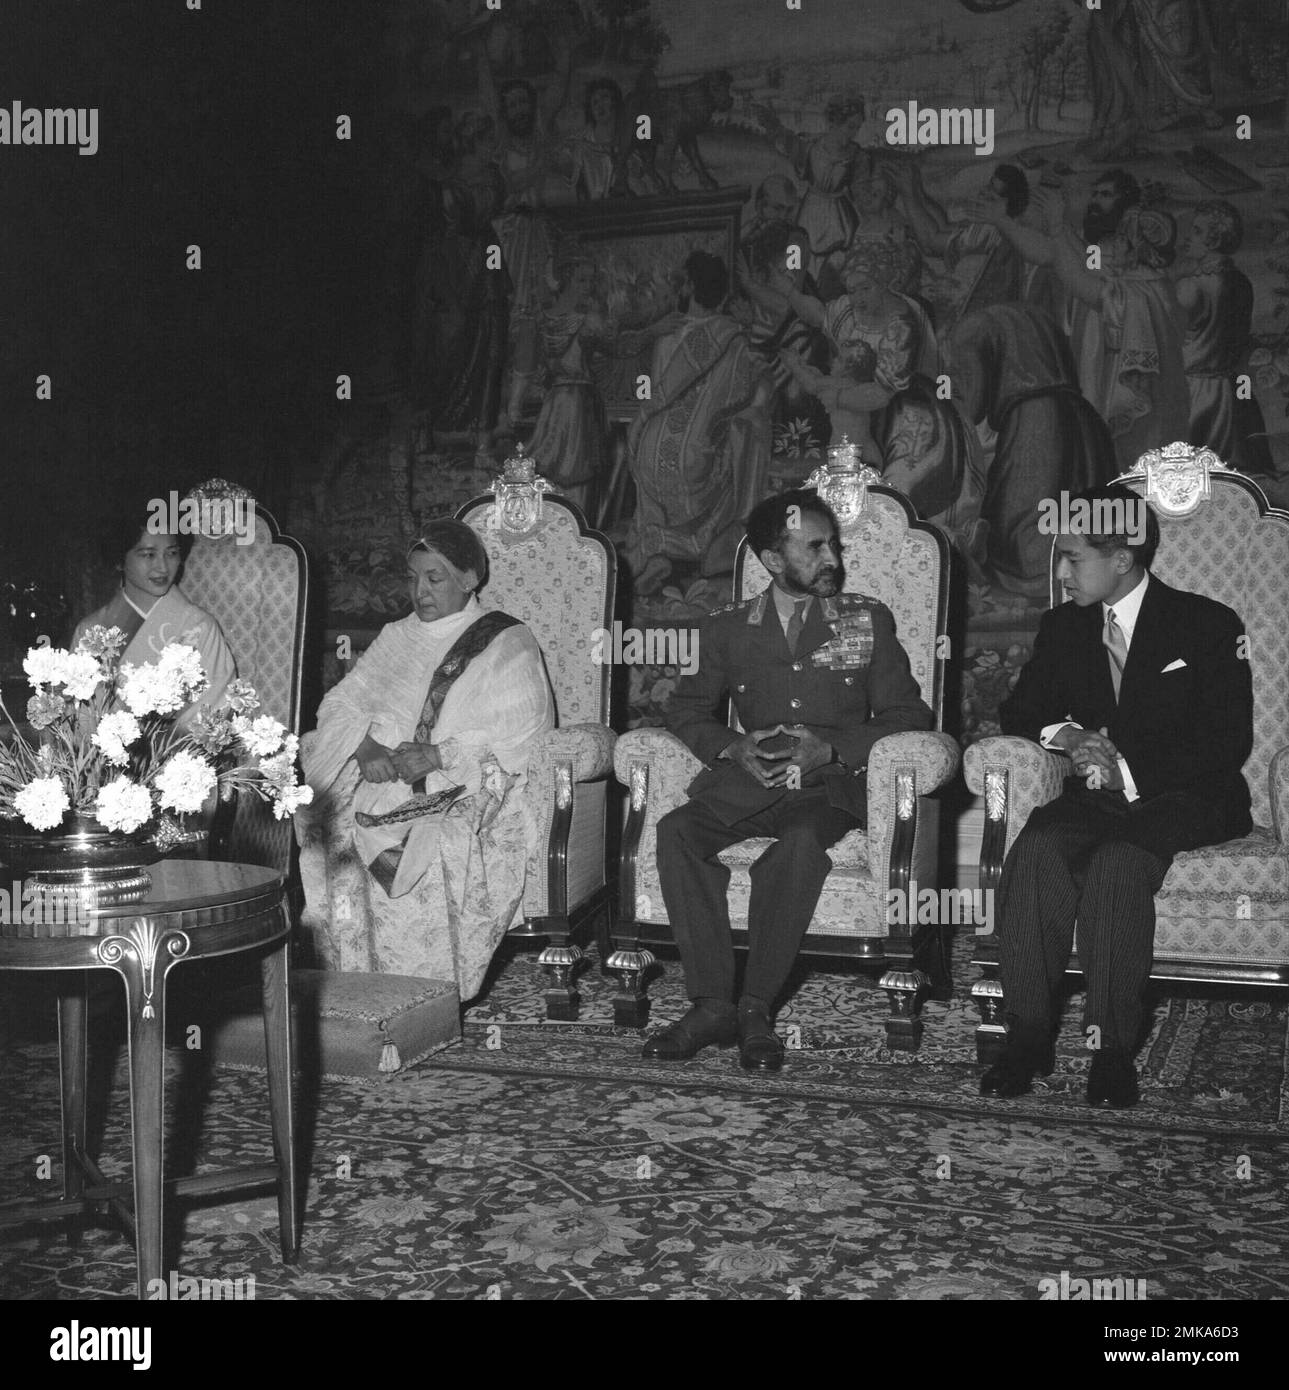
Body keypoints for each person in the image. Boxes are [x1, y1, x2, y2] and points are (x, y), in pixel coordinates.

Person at [982, 484, 1253, 1108]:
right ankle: (1028, 1036)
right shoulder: (1064, 626)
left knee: (1117, 864)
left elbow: (1227, 740)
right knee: (1037, 849)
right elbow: (1020, 711)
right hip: (1096, 794)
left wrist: (1127, 770)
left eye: (1073, 558)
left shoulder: (1208, 623)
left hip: (1187, 793)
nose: (1060, 573)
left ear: (1123, 558)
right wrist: (1070, 736)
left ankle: (1111, 1051)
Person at [642, 491, 932, 1071]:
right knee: (676, 832)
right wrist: (731, 745)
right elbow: (685, 709)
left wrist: (834, 748)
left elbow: (909, 715)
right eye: (815, 548)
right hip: (750, 781)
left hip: (828, 788)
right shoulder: (726, 628)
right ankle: (711, 1004)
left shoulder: (864, 620)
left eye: (834, 545)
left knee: (798, 844)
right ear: (773, 560)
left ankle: (756, 1006)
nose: (833, 560)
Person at [298, 520, 554, 998]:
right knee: (326, 821)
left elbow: (523, 732)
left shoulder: (507, 640)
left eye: (434, 578)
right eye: (413, 578)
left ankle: (427, 997)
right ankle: (353, 986)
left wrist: (439, 755)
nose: (420, 591)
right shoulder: (397, 635)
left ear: (468, 578)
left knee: (437, 838)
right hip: (382, 777)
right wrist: (365, 747)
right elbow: (340, 702)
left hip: (463, 784)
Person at [624, 250, 773, 595]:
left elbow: (653, 394)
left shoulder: (666, 335)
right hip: (694, 461)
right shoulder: (733, 338)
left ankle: (657, 549)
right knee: (731, 455)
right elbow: (748, 396)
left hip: (648, 453)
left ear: (689, 286)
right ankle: (682, 547)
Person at [73, 505, 237, 730]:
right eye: (148, 554)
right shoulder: (91, 632)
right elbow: (80, 719)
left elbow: (214, 711)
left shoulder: (200, 628)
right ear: (119, 560)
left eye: (172, 553)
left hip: (177, 751)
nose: (162, 567)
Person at [1175, 200, 1273, 474]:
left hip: (1193, 393)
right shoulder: (1242, 283)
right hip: (1232, 392)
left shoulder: (1190, 286)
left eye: (1196, 231)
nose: (1187, 238)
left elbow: (1165, 339)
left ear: (1214, 240)